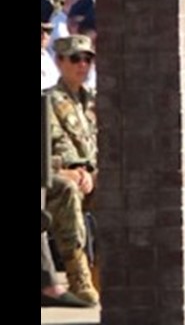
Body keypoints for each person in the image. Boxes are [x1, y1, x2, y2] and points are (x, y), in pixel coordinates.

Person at [43, 34, 100, 305]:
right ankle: (79, 276)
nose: (83, 65)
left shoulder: (95, 101)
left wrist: (97, 173)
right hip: (63, 176)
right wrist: (74, 172)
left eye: (88, 59)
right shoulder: (49, 101)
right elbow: (50, 150)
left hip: (95, 174)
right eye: (75, 59)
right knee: (67, 191)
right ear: (59, 61)